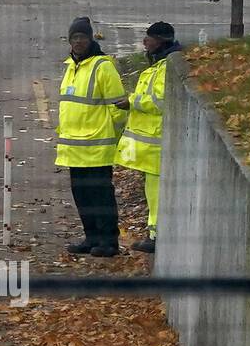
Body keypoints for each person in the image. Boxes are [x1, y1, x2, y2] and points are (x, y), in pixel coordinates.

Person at [56, 16, 126, 257]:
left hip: (97, 147)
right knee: (82, 195)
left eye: (82, 37)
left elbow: (118, 108)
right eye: (74, 38)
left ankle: (109, 241)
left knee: (100, 196)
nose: (78, 42)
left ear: (90, 39)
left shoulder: (102, 66)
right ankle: (92, 237)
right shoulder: (71, 66)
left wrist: (113, 136)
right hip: (74, 148)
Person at [116, 22, 182, 254]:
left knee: (156, 194)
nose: (145, 41)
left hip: (157, 143)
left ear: (161, 41)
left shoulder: (166, 67)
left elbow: (159, 101)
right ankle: (154, 233)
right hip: (153, 144)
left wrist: (131, 101)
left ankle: (156, 236)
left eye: (149, 38)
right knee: (152, 192)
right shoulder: (161, 64)